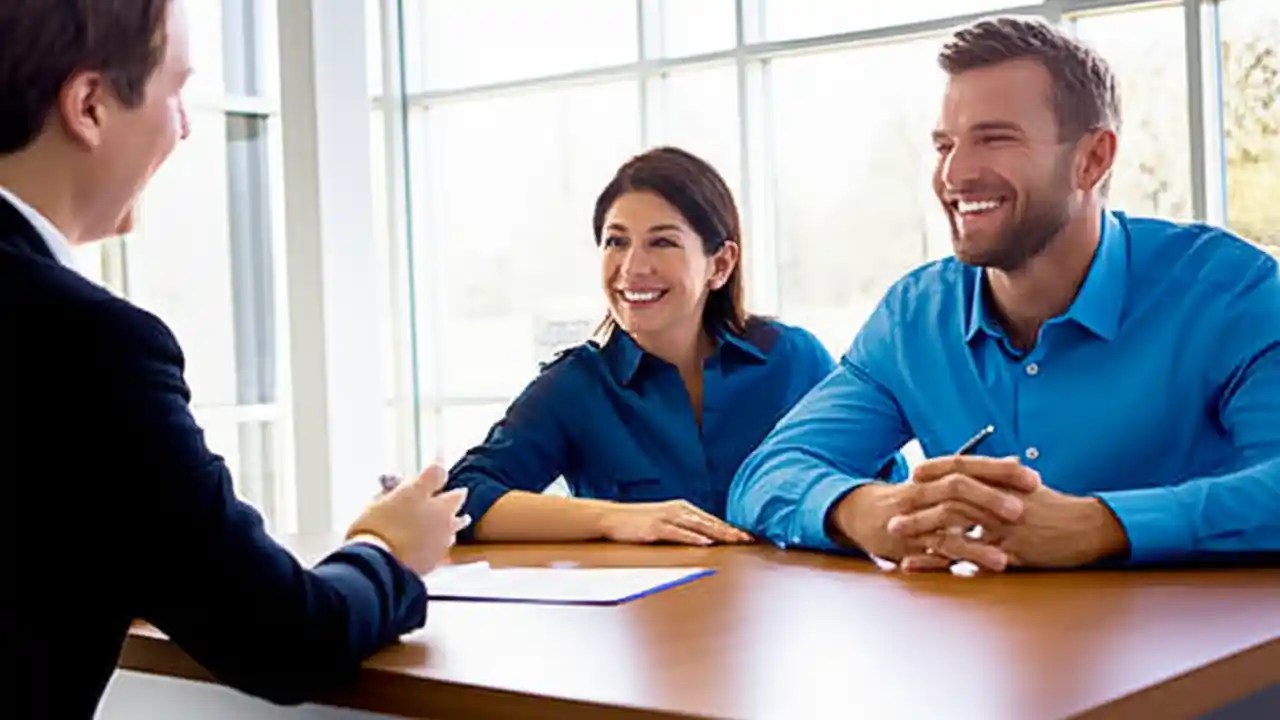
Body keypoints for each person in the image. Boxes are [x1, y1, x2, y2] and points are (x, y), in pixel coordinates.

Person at [0, 2, 467, 716]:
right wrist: (386, 548)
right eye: (174, 91)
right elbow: (283, 635)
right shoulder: (90, 345)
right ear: (89, 106)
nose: (183, 126)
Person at [728, 16, 1280, 572]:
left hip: (1217, 648)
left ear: (1092, 159)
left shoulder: (1228, 291)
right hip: (986, 646)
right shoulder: (915, 319)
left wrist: (1101, 524)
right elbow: (768, 474)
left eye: (995, 139)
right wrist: (874, 511)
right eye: (945, 145)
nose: (954, 173)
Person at [444, 146, 892, 545]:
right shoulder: (576, 386)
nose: (632, 267)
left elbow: (883, 487)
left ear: (720, 264)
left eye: (662, 242)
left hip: (790, 616)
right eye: (616, 242)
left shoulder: (793, 360)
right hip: (643, 623)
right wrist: (614, 520)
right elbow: (461, 499)